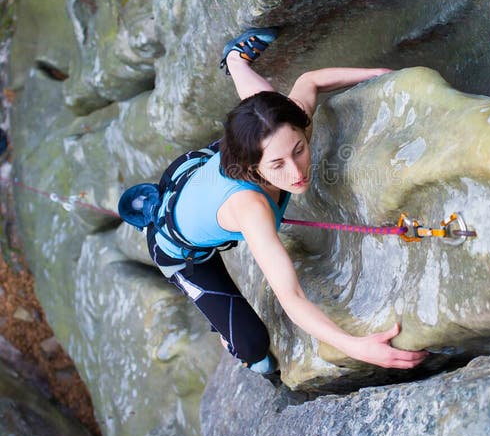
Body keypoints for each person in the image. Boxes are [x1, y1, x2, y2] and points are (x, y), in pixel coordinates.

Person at [144, 29, 428, 376]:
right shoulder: (251, 207)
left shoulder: (289, 131)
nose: (297, 173)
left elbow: (310, 82)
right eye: (279, 165)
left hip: (200, 170)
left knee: (263, 114)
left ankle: (235, 61)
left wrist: (381, 75)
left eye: (299, 151)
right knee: (255, 351)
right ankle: (236, 343)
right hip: (176, 245)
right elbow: (291, 297)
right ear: (251, 168)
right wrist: (355, 346)